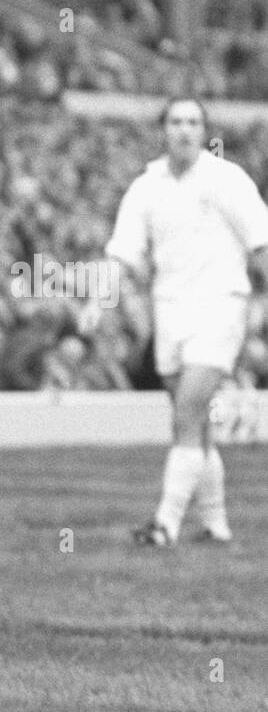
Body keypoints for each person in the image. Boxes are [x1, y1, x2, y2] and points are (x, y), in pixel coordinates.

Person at [100, 97, 268, 545]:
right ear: (164, 130)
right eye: (176, 122)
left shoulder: (227, 179)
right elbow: (123, 251)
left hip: (219, 307)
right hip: (170, 310)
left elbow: (260, 244)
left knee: (190, 411)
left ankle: (165, 524)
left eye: (193, 122)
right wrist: (99, 299)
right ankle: (215, 524)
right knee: (192, 423)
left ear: (205, 130)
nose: (184, 130)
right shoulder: (146, 186)